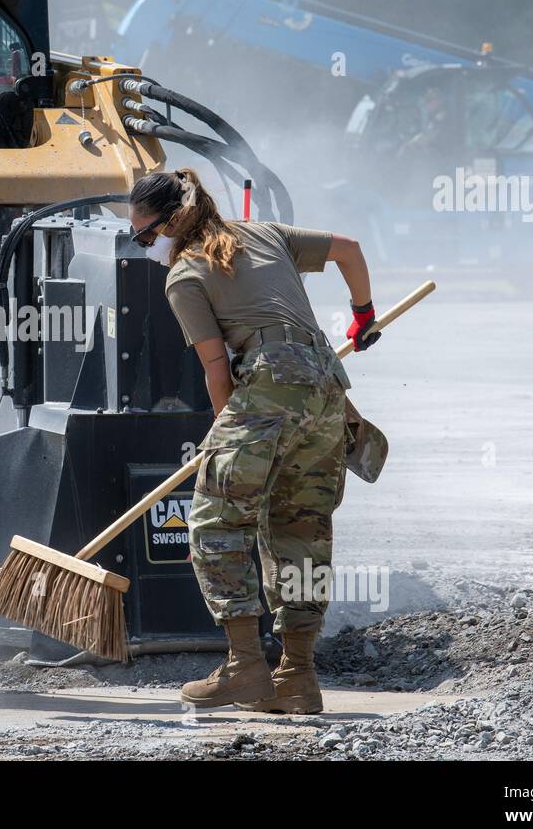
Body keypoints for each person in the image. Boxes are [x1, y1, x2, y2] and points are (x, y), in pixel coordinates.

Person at [127, 168, 383, 715]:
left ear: (172, 222)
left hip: (268, 387)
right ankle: (297, 677)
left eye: (146, 236)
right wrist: (363, 316)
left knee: (216, 521)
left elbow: (216, 369)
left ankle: (244, 667)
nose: (147, 246)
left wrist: (224, 432)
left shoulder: (185, 276)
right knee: (300, 529)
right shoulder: (265, 233)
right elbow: (350, 249)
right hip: (328, 393)